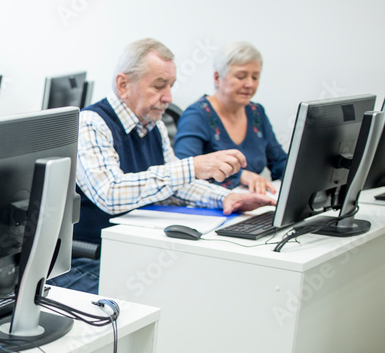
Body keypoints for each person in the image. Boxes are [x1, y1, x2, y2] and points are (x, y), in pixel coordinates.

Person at [52, 38, 276, 294]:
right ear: (124, 85)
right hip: (89, 261)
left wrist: (230, 198)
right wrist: (192, 167)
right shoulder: (91, 124)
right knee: (176, 294)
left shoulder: (153, 124)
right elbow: (110, 193)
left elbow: (176, 186)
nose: (168, 97)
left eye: (170, 86)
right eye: (159, 86)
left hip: (132, 252)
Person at [173, 41, 287, 194]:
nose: (249, 84)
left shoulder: (256, 113)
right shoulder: (197, 115)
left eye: (255, 77)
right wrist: (240, 176)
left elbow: (279, 161)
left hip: (253, 204)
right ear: (217, 77)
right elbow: (183, 171)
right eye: (241, 76)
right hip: (213, 205)